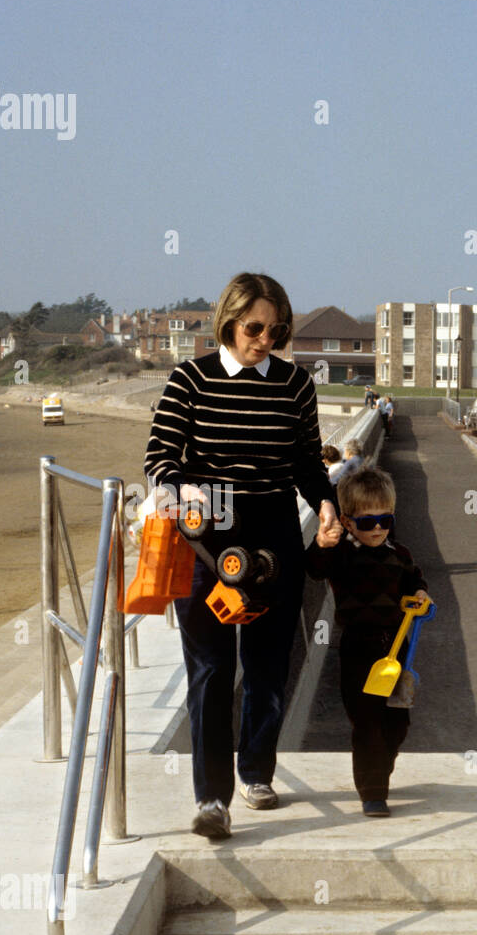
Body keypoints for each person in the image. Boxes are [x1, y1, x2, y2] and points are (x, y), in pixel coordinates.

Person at [144, 271, 341, 839]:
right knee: (209, 668)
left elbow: (307, 463)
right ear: (228, 322)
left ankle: (256, 771)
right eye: (255, 327)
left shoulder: (296, 386)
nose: (266, 339)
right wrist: (181, 488)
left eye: (277, 330)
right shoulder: (190, 379)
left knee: (268, 667)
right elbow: (159, 456)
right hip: (207, 539)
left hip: (276, 534)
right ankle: (211, 798)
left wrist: (326, 505)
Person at [306, 465, 427, 817]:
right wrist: (322, 542)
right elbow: (314, 568)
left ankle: (380, 768)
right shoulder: (342, 554)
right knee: (367, 721)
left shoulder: (400, 555)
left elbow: (414, 582)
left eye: (384, 520)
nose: (376, 529)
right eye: (366, 522)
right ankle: (373, 790)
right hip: (359, 648)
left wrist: (420, 593)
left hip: (397, 648)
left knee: (397, 722)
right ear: (347, 521)